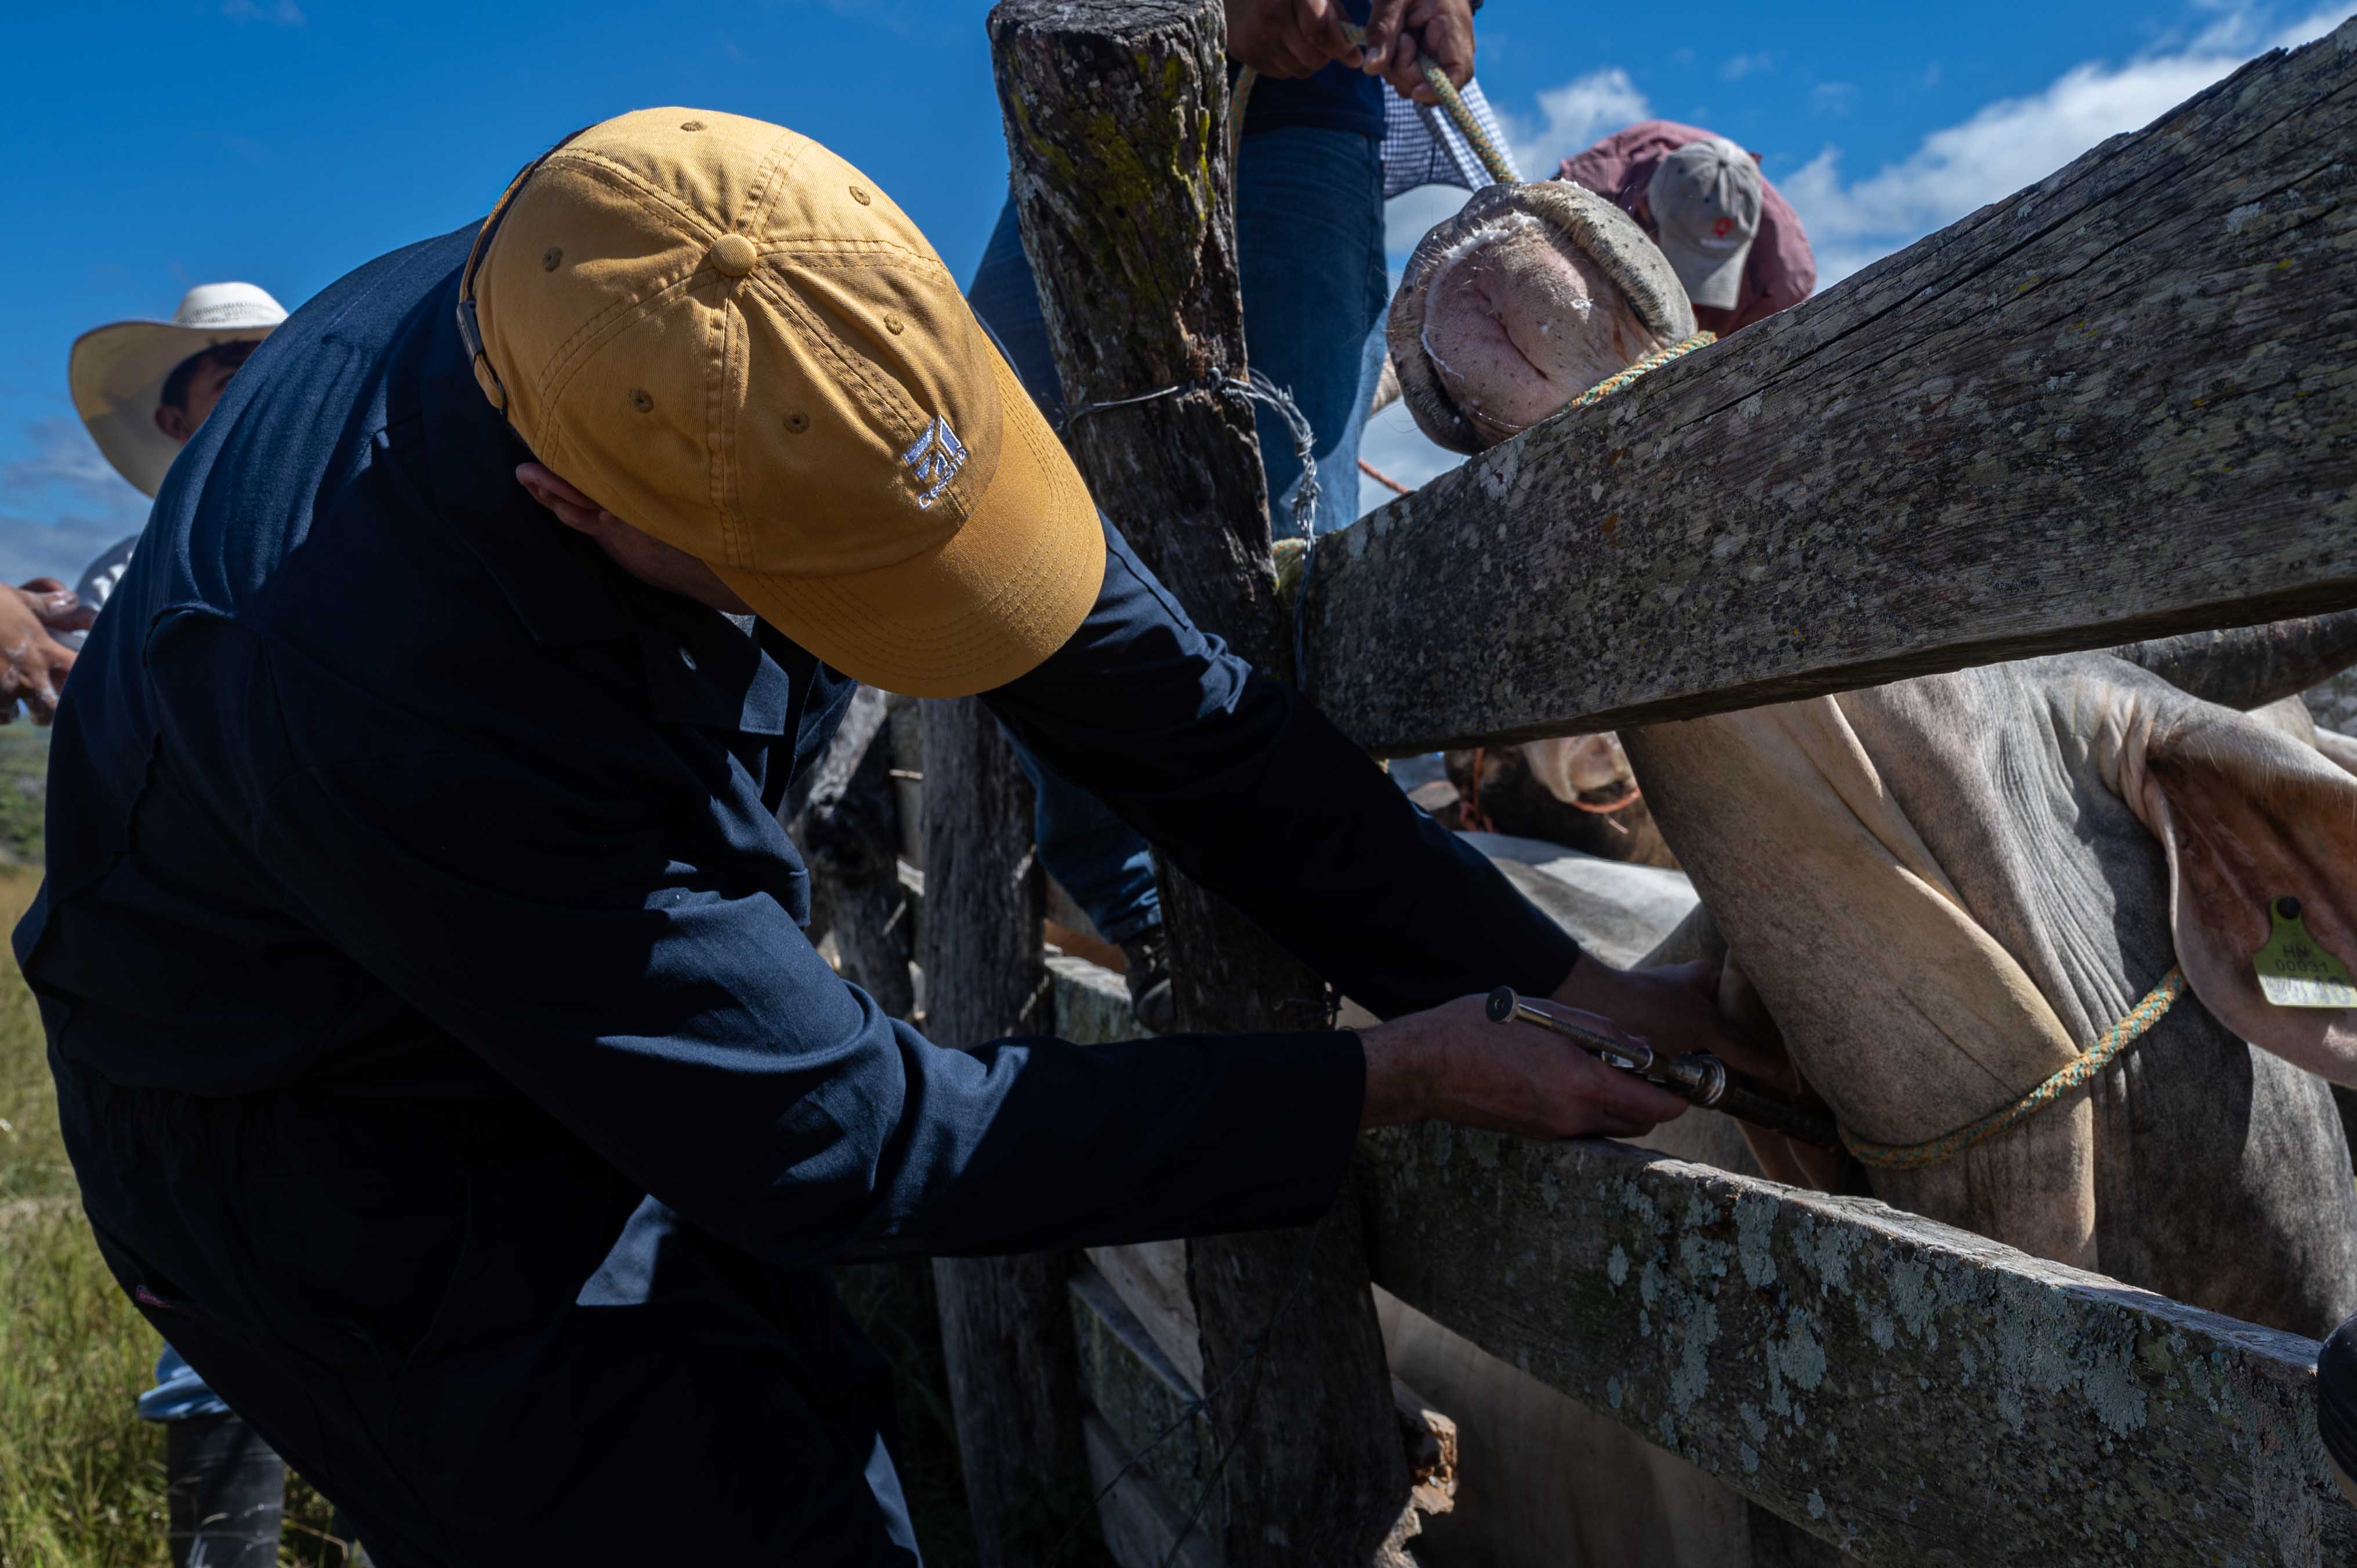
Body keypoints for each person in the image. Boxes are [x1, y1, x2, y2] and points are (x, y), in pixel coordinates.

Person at [23, 108, 1757, 1565]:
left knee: (797, 1402)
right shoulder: (378, 684)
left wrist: (1545, 971)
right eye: (822, 583)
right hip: (341, 1154)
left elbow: (1162, 705)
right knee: (680, 1505)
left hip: (543, 937)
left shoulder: (740, 295)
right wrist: (1389, 1076)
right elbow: (829, 1137)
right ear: (576, 501)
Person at [968, 0, 1478, 1026]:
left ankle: (1291, 913)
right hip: (1094, 94)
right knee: (996, 470)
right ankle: (1145, 906)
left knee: (1276, 516)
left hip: (1298, 112)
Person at [63, 282, 347, 1567]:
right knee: (216, 1299)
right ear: (175, 417)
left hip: (340, 954)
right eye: (217, 374)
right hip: (205, 970)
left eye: (258, 368)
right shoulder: (128, 575)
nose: (243, 391)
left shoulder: (347, 542)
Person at [62, 283, 289, 649]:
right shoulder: (127, 580)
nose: (265, 394)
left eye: (283, 375)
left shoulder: (374, 524)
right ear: (176, 424)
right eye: (232, 380)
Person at [1557, 121, 1816, 335]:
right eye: (1686, 265)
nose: (1691, 303)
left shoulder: (1783, 280)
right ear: (1644, 209)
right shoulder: (1584, 194)